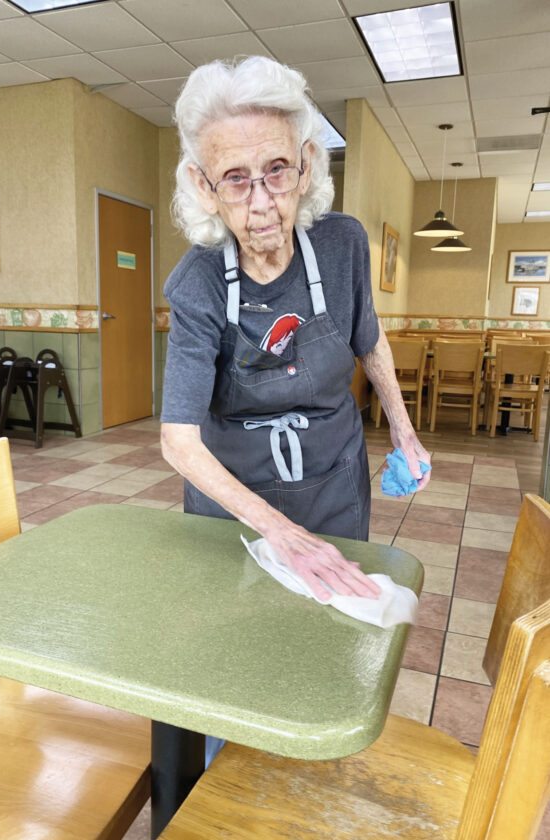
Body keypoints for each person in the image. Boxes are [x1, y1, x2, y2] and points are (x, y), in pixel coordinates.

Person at [160, 56, 431, 604]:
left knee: (334, 628)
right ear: (204, 186)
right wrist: (279, 532)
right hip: (233, 500)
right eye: (235, 179)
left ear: (305, 166)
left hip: (333, 480)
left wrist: (403, 430)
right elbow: (178, 440)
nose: (261, 203)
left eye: (277, 169)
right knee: (233, 635)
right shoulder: (198, 282)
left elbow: (368, 340)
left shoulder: (342, 246)